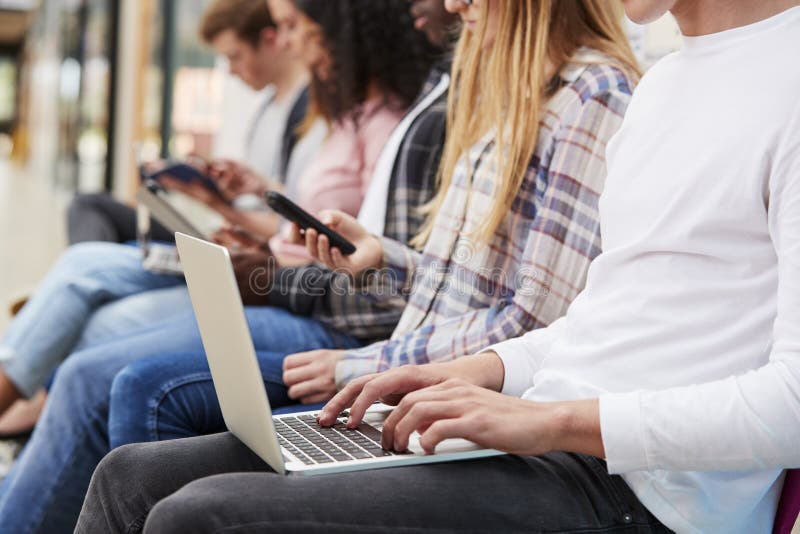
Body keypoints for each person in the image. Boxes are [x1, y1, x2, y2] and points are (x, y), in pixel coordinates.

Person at [79, 0, 800, 533]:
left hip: (645, 495)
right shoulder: (669, 85)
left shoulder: (780, 87)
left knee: (202, 517)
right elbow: (604, 318)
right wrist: (477, 371)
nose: (454, 7)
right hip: (549, 430)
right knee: (131, 478)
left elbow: (792, 408)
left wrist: (550, 421)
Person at [0, 1, 438, 532]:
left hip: (296, 291)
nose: (289, 38)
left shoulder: (385, 121)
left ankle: (26, 421)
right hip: (281, 275)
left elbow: (368, 269)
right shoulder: (344, 114)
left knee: (98, 325)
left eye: (296, 27)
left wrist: (268, 270)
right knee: (87, 272)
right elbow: (334, 241)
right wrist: (244, 214)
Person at [66, 0, 310, 246]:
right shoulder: (266, 108)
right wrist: (207, 183)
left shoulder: (305, 115)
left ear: (270, 41)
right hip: (225, 228)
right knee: (88, 207)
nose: (232, 71)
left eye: (235, 57)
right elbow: (255, 193)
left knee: (90, 222)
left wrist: (217, 206)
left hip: (245, 247)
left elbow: (288, 225)